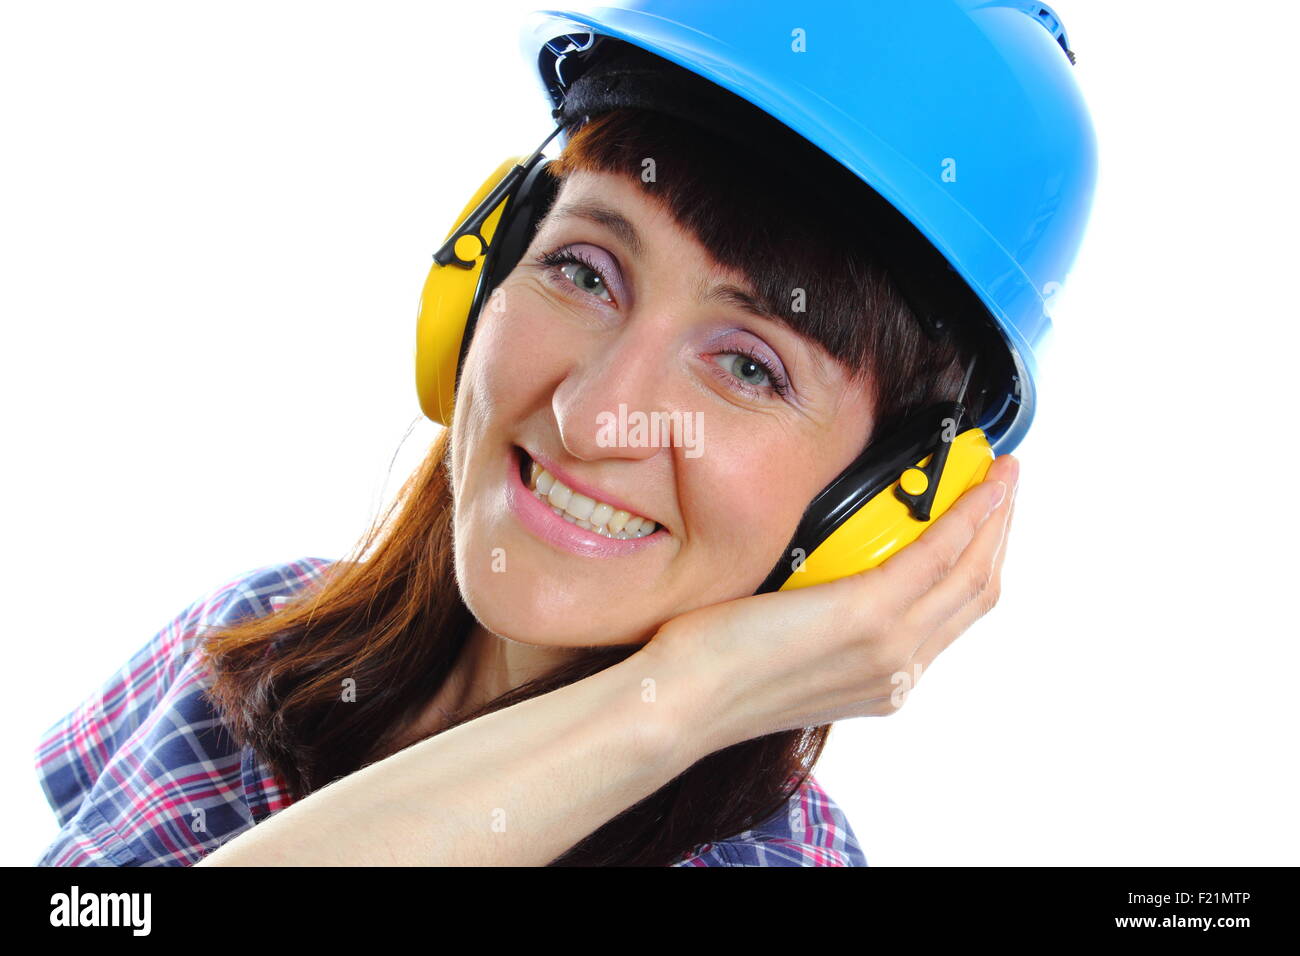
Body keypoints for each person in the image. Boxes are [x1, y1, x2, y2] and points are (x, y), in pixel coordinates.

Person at [34, 0, 1094, 867]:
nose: (591, 419)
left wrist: (678, 706)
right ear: (483, 272)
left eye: (748, 366)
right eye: (585, 272)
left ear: (878, 500)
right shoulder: (259, 639)